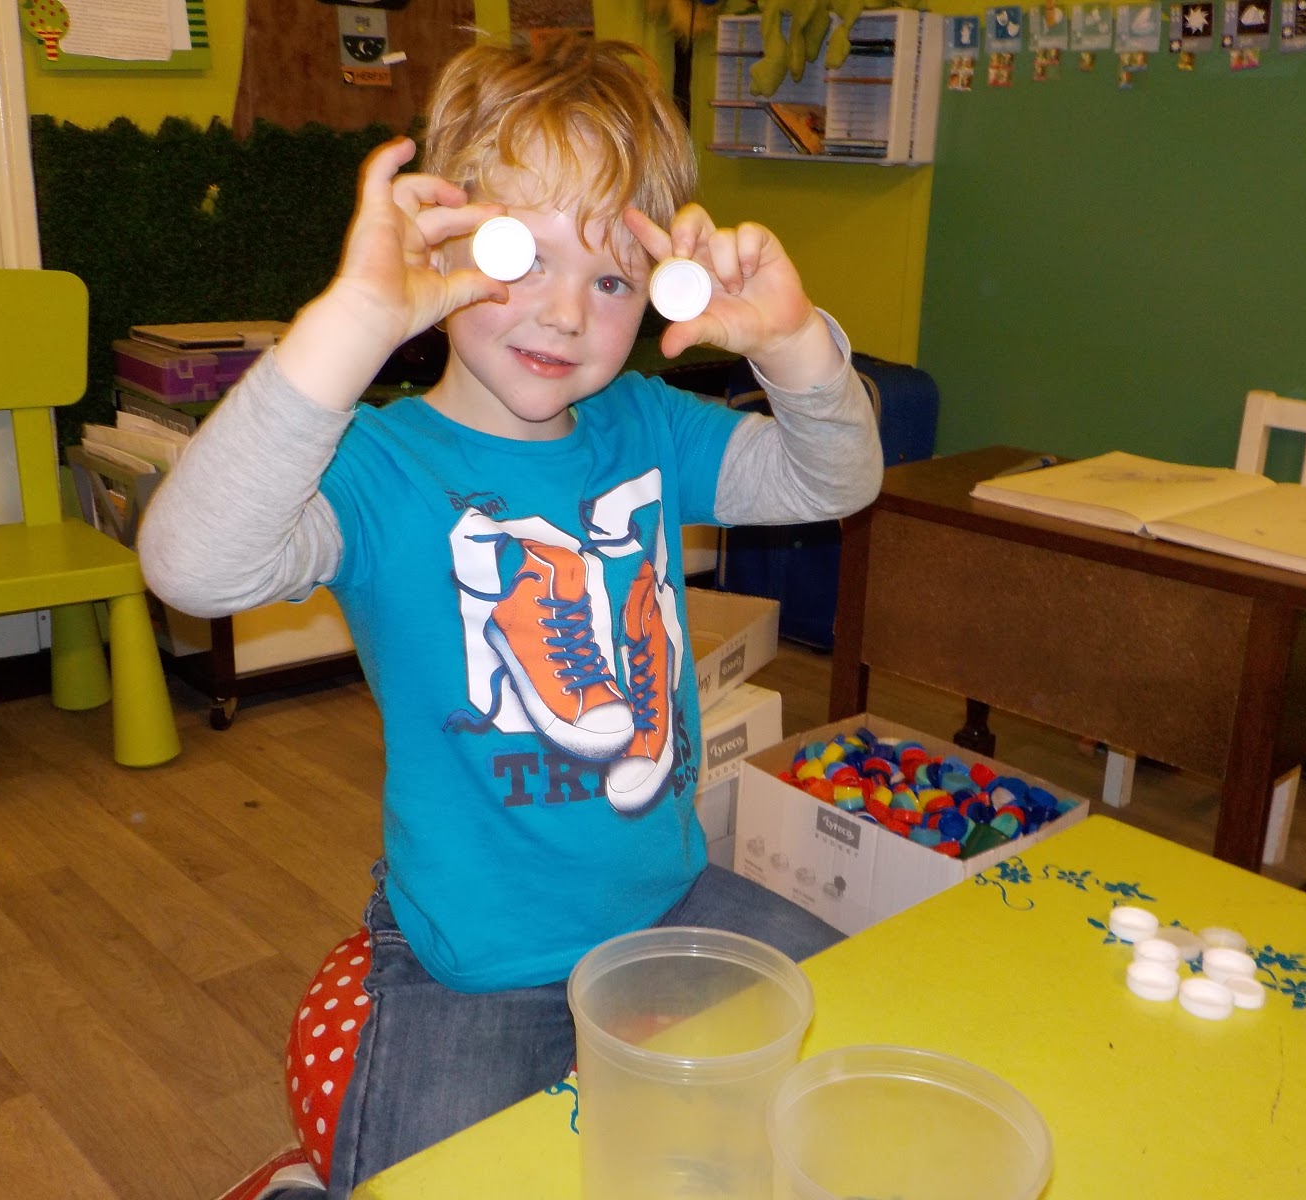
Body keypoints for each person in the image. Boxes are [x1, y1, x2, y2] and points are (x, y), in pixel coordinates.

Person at [139, 33, 882, 1198]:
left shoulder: (647, 426)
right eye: (520, 258)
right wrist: (353, 321)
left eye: (611, 281)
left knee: (876, 1050)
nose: (565, 315)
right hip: (472, 956)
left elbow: (833, 480)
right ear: (440, 246)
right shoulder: (381, 464)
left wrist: (792, 343)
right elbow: (190, 567)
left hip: (668, 904)